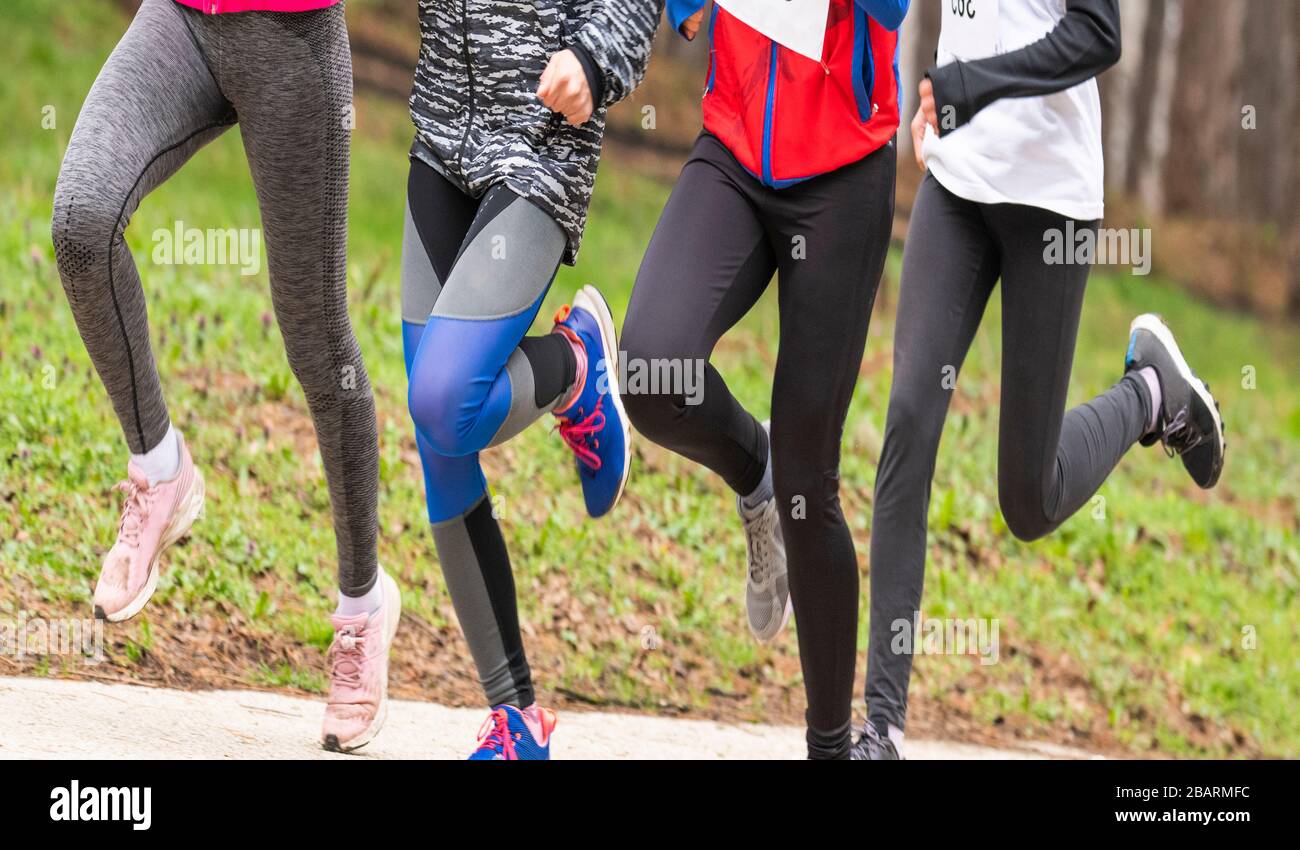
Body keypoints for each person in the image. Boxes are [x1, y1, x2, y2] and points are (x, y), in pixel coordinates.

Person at [857, 0, 1225, 760]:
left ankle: (1152, 393)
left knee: (1031, 500)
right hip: (955, 186)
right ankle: (881, 728)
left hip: (1048, 208)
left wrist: (975, 83)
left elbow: (1098, 35)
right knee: (908, 424)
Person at [49, 0, 399, 753]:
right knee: (82, 220)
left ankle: (363, 606)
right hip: (180, 20)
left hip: (294, 39)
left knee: (315, 334)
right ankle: (159, 467)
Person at [622, 0, 909, 759]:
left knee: (810, 485)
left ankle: (830, 745)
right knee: (651, 370)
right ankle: (756, 469)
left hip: (843, 172)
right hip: (736, 139)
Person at [400, 0, 661, 760]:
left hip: (540, 142)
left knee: (446, 399)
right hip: (443, 130)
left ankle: (576, 366)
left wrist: (594, 55)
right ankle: (517, 722)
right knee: (439, 441)